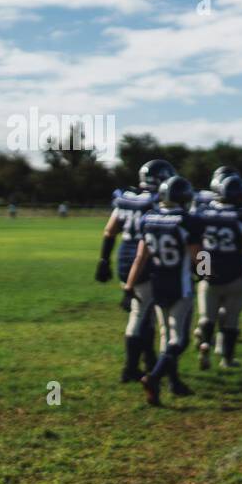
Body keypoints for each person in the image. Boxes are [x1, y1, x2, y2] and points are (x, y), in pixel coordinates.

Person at [125, 175, 202, 405]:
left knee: (166, 335)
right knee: (179, 340)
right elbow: (199, 255)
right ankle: (155, 377)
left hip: (158, 283)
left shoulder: (149, 218)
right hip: (181, 285)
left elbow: (141, 256)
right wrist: (206, 273)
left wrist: (129, 285)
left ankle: (174, 381)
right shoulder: (188, 221)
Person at [96, 159, 174, 382]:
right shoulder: (157, 201)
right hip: (144, 260)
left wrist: (103, 259)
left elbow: (110, 231)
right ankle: (130, 368)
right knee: (140, 313)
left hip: (123, 259)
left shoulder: (126, 198)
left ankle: (148, 360)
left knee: (144, 312)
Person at [192, 175, 242, 369]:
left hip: (209, 272)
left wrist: (202, 271)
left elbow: (198, 245)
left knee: (207, 317)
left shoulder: (203, 213)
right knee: (231, 320)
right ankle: (227, 359)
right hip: (235, 273)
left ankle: (206, 344)